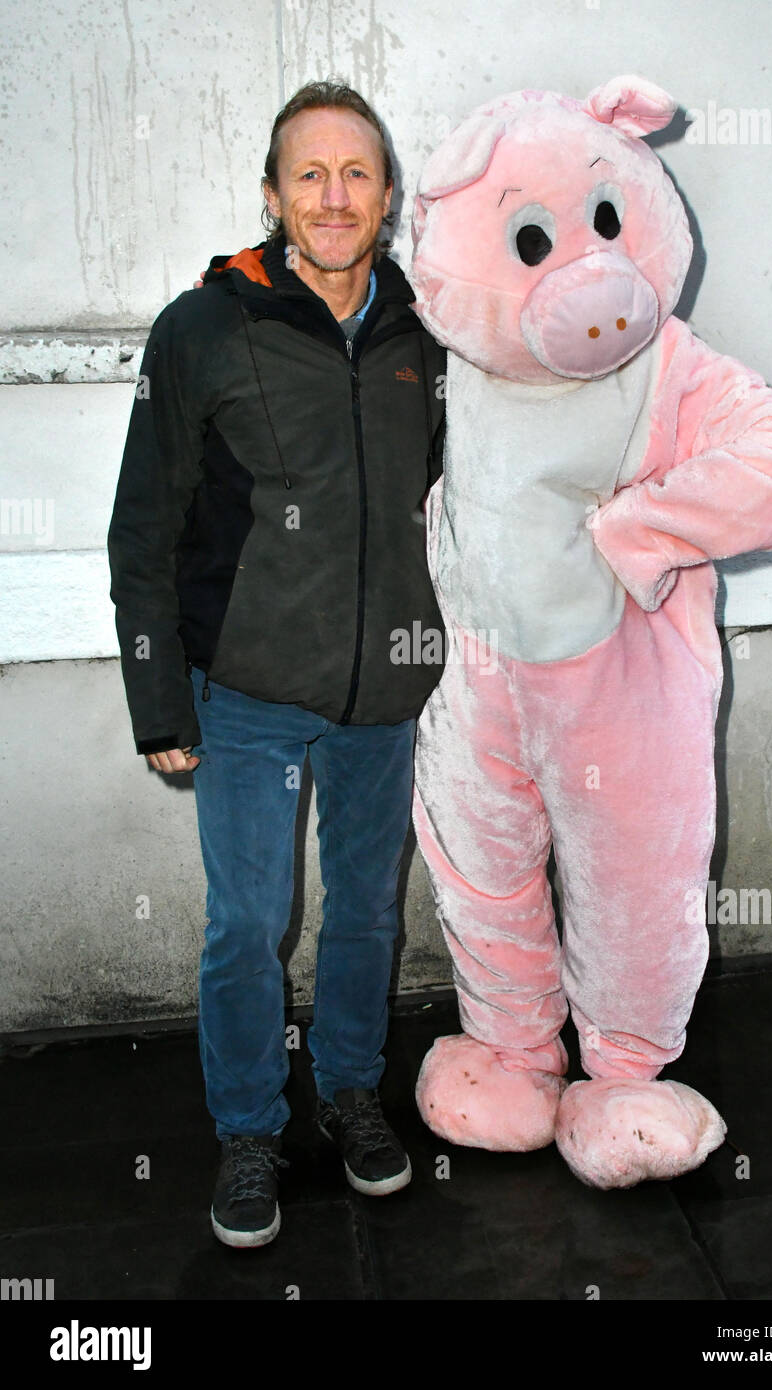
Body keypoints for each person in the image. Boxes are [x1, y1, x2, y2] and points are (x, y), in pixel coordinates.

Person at [107, 81, 446, 1248]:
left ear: (387, 194)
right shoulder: (203, 328)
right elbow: (141, 527)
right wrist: (159, 691)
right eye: (310, 174)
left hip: (381, 695)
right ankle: (250, 1128)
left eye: (356, 173)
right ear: (271, 194)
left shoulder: (422, 330)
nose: (334, 196)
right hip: (243, 691)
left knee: (363, 912)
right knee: (249, 922)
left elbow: (447, 498)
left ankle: (349, 1091)